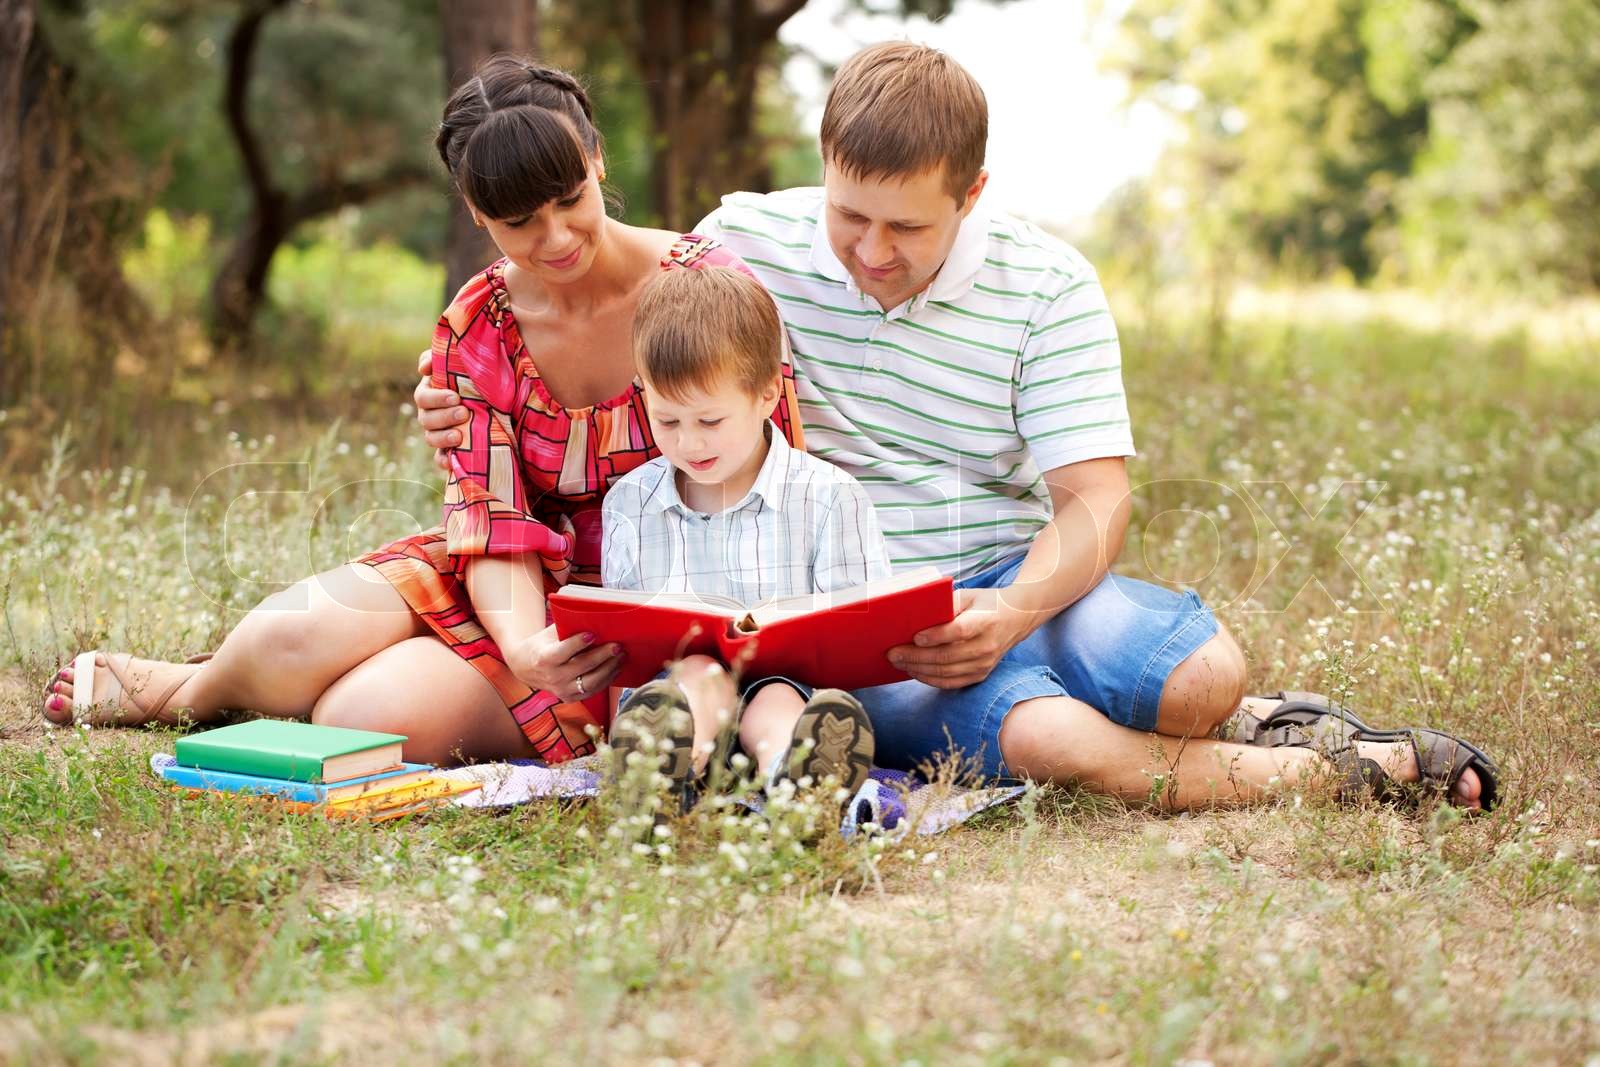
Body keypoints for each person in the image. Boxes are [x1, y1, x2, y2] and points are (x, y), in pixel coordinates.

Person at [414, 43, 1498, 810]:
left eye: (907, 226)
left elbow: (1095, 499)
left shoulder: (1049, 285)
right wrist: (449, 388)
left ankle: (1246, 712)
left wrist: (1013, 608)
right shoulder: (746, 244)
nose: (869, 252)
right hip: (858, 610)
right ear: (821, 169)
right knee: (1056, 738)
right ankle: (1334, 771)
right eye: (848, 214)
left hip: (1011, 575)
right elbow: (643, 341)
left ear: (972, 194)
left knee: (1199, 678)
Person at [40, 56, 803, 767]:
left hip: (649, 613)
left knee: (359, 713)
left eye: (570, 200)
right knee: (293, 632)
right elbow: (493, 521)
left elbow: (772, 487)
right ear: (476, 211)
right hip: (510, 585)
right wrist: (524, 643)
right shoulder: (479, 326)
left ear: (597, 160)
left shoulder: (706, 293)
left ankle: (325, 685)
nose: (557, 237)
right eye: (520, 222)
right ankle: (189, 691)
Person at [600, 265, 883, 801]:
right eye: (667, 421)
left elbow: (858, 643)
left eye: (710, 422)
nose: (688, 444)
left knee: (777, 699)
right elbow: (627, 649)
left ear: (766, 395)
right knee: (697, 673)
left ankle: (796, 780)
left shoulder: (829, 496)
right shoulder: (631, 503)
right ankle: (658, 771)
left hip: (793, 694)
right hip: (685, 697)